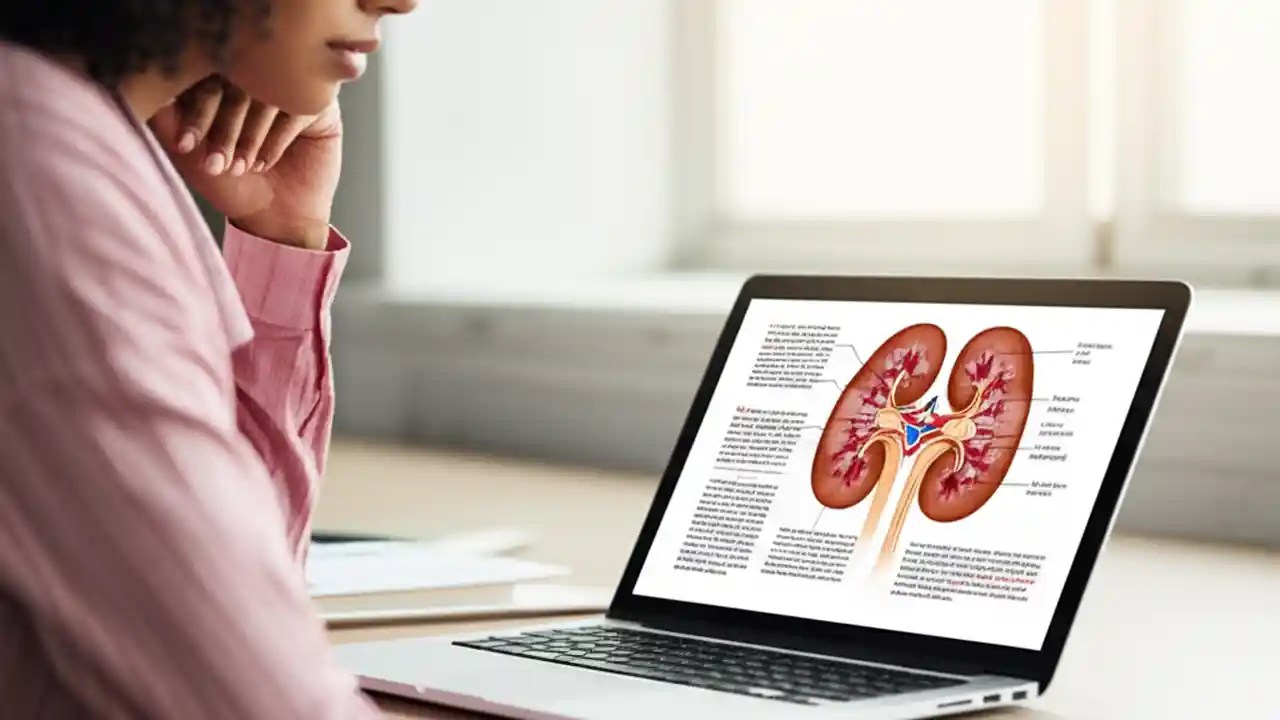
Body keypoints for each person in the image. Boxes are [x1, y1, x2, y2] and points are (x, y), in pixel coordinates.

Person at [0, 0, 416, 716]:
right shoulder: (36, 170)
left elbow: (250, 599)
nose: (401, 0)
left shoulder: (80, 132)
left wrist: (283, 231)